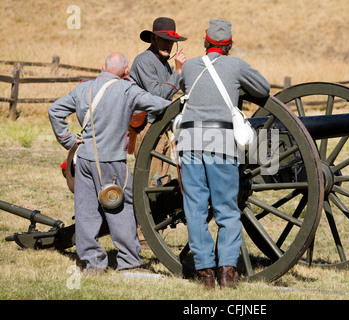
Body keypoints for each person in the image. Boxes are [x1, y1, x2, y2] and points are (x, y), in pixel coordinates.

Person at [48, 52, 171, 273]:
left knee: (86, 212)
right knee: (121, 211)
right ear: (126, 72)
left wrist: (67, 139)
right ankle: (129, 262)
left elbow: (54, 110)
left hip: (84, 160)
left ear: (102, 66)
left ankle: (93, 264)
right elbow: (161, 106)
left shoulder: (83, 88)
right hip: (112, 161)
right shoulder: (127, 90)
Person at [177, 20, 270, 289]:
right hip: (221, 143)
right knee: (227, 209)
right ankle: (227, 272)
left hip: (191, 142)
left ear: (205, 42)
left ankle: (205, 273)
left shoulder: (192, 65)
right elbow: (263, 89)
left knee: (194, 209)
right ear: (229, 45)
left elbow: (182, 86)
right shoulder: (236, 65)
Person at [129, 17, 187, 186]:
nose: (168, 44)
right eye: (163, 40)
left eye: (171, 41)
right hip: (146, 125)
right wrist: (177, 72)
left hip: (160, 126)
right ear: (153, 39)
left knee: (163, 176)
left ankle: (159, 210)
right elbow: (157, 94)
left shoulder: (164, 64)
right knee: (152, 180)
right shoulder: (144, 61)